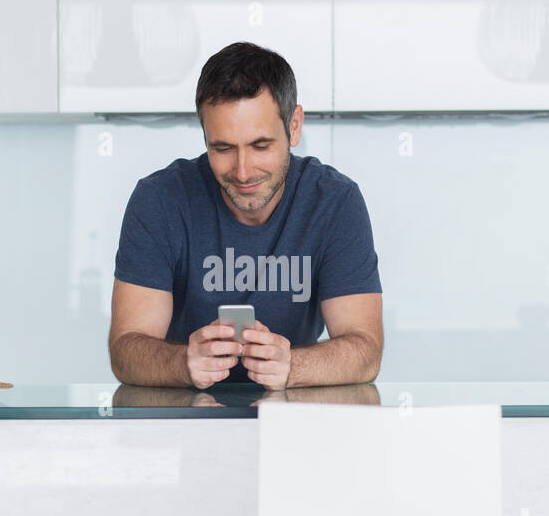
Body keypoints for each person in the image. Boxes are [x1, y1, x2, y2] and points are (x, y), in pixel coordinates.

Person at [109, 41, 383, 390]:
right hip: (182, 423)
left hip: (293, 421)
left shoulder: (334, 202)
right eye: (222, 148)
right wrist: (182, 363)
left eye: (260, 146)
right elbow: (126, 349)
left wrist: (292, 366)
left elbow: (366, 350)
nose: (242, 171)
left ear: (294, 126)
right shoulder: (159, 200)